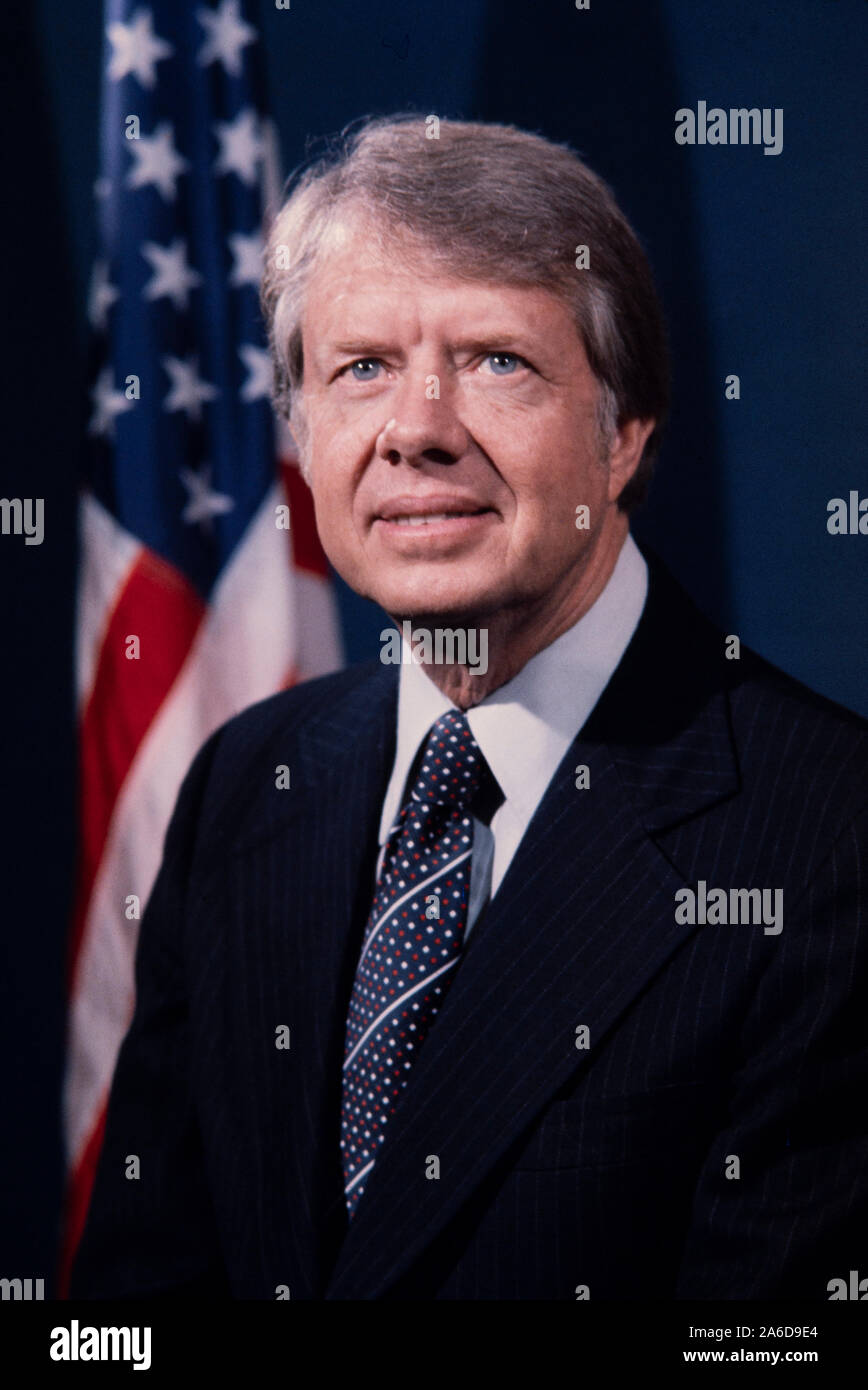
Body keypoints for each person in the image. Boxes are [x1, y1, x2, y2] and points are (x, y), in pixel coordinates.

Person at [71, 116, 868, 1301]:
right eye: (361, 369)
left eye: (497, 359)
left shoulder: (826, 833)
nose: (418, 430)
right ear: (297, 429)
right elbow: (124, 1316)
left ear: (624, 432)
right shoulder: (246, 782)